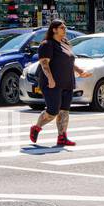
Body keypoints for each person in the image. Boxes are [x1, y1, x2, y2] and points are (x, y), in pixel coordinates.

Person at [31, 19, 90, 147]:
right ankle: (36, 127)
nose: (65, 30)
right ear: (54, 30)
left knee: (64, 111)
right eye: (62, 28)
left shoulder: (65, 43)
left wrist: (80, 71)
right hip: (52, 84)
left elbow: (69, 62)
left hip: (67, 82)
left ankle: (62, 137)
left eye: (65, 27)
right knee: (53, 111)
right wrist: (50, 79)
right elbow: (44, 63)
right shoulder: (47, 44)